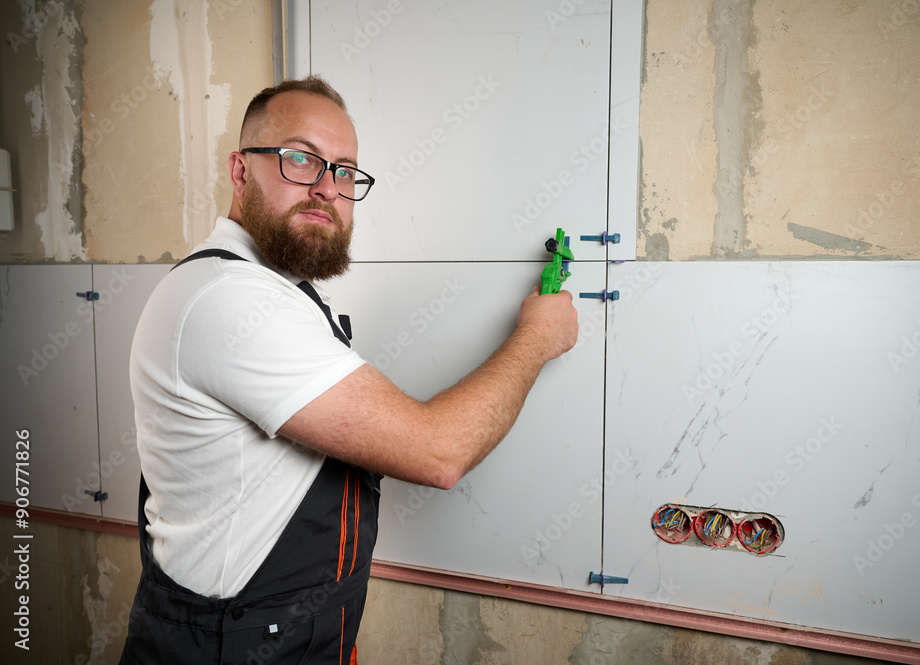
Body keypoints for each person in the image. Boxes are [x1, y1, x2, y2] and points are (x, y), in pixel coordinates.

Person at [119, 76, 578, 664]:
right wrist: (537, 338)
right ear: (239, 171)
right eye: (299, 159)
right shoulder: (229, 301)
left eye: (344, 171)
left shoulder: (273, 291)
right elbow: (440, 453)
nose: (326, 188)